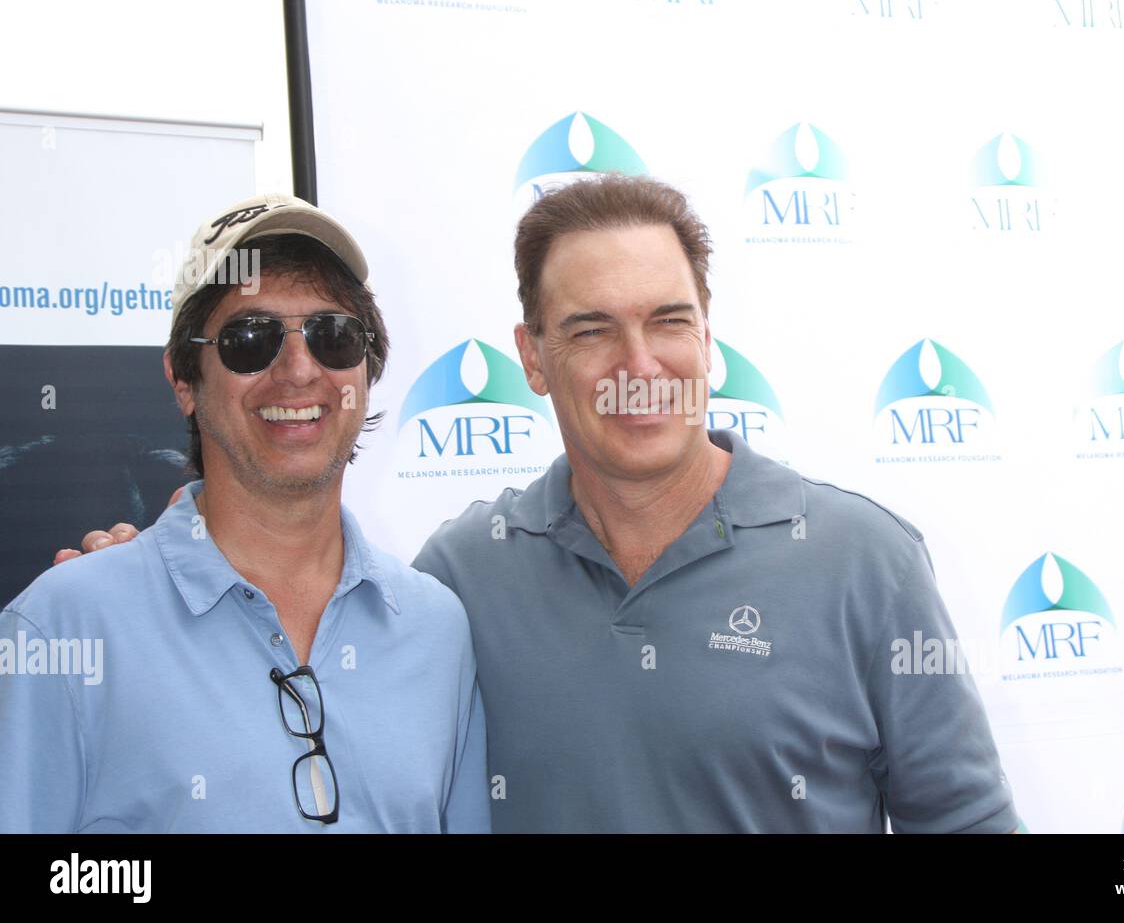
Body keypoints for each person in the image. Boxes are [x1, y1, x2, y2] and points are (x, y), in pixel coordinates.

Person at [56, 177, 1018, 833]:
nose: (640, 367)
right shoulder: (462, 580)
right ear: (532, 357)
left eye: (669, 322)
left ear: (708, 340)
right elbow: (285, 621)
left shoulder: (862, 559)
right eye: (592, 330)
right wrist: (142, 583)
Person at [4, 194, 488, 832]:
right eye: (249, 339)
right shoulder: (63, 627)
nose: (298, 370)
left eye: (333, 335)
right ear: (183, 378)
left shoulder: (437, 628)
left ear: (366, 370)